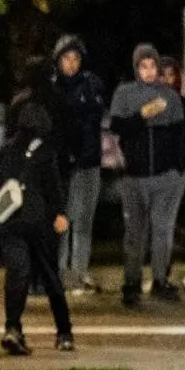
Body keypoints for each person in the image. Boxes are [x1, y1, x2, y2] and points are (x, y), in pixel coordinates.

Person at [107, 44, 185, 306]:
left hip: (166, 177)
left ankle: (160, 280)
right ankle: (131, 283)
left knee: (163, 230)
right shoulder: (125, 94)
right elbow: (117, 127)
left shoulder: (171, 98)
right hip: (134, 176)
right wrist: (142, 116)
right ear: (136, 68)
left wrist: (180, 170)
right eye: (144, 66)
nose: (149, 71)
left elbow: (181, 136)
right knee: (135, 233)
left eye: (153, 66)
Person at [0, 100, 74, 355]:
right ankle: (64, 332)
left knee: (17, 274)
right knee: (50, 277)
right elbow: (53, 188)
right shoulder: (47, 152)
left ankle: (13, 327)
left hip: (11, 222)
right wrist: (59, 213)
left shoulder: (5, 150)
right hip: (39, 222)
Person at [48, 35, 106, 294]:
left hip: (89, 162)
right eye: (66, 59)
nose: (71, 65)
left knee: (85, 219)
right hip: (63, 165)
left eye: (75, 59)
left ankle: (80, 270)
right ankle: (60, 271)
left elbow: (93, 119)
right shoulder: (52, 89)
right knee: (64, 219)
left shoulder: (91, 86)